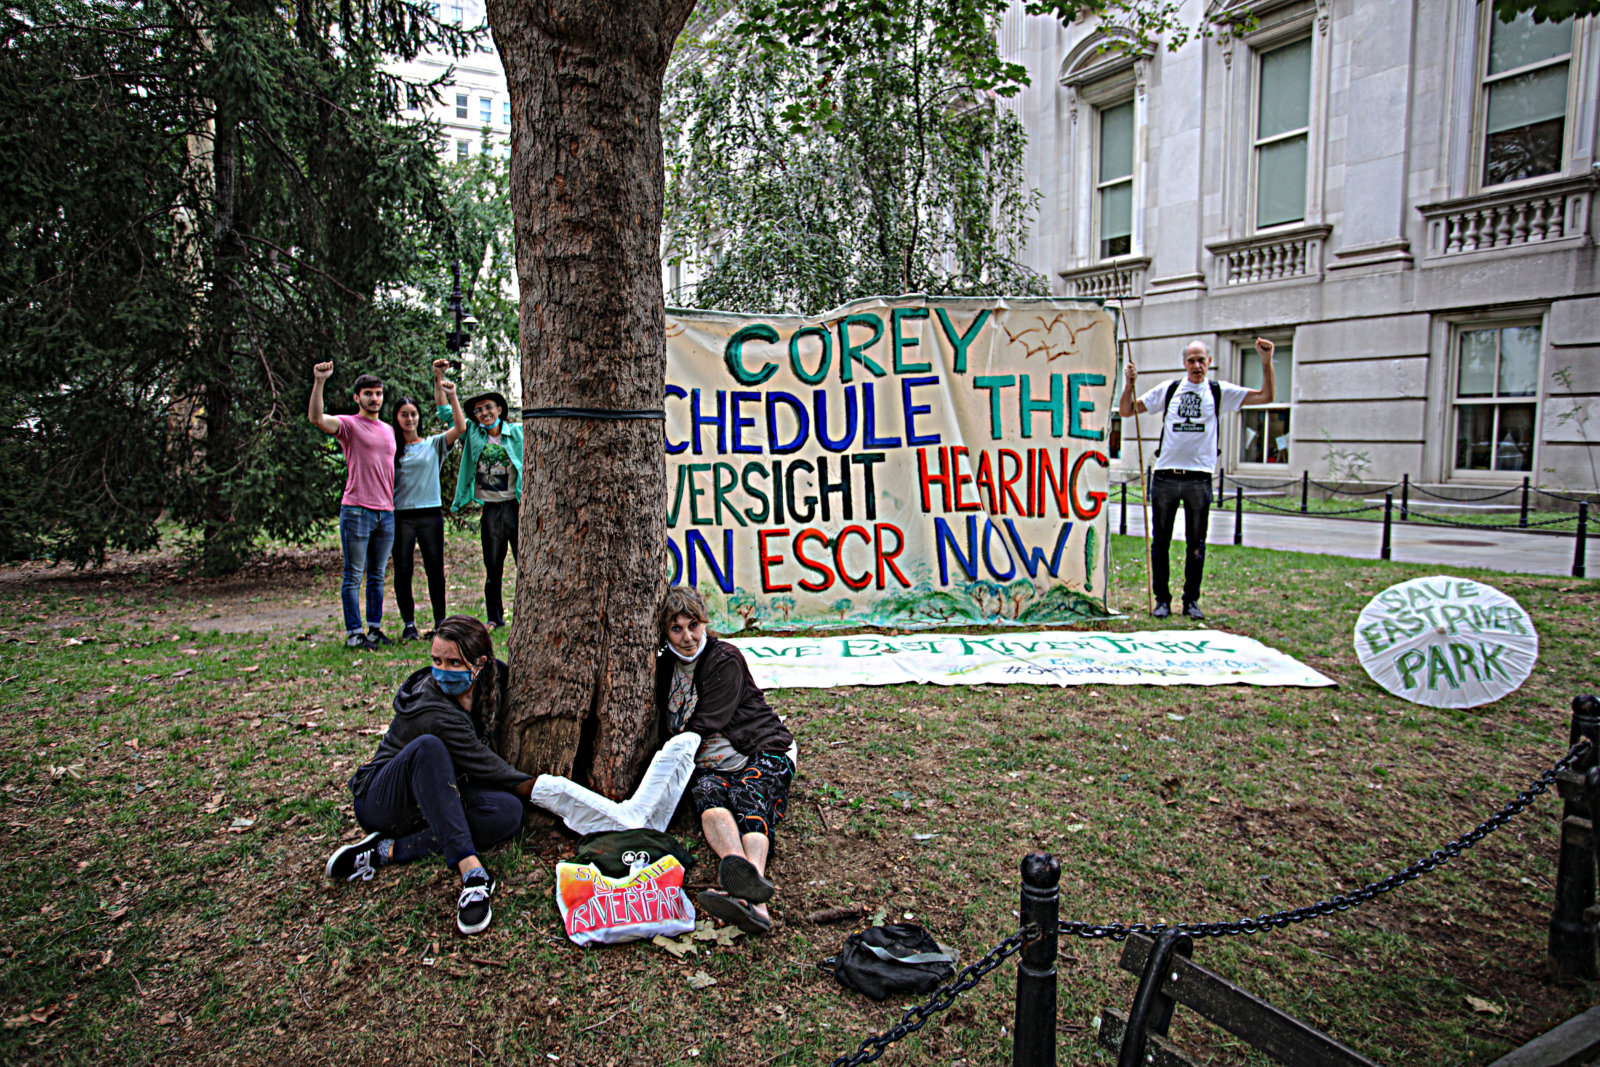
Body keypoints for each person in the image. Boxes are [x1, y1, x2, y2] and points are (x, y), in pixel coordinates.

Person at [324, 615, 534, 935]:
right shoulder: (431, 707)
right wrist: (565, 798)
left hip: (438, 797)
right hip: (384, 800)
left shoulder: (495, 678)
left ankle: (385, 851)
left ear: (480, 664)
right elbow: (496, 772)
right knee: (428, 748)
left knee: (506, 812)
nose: (442, 671)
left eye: (453, 662)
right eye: (436, 660)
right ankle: (473, 875)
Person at [654, 586, 797, 935]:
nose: (687, 637)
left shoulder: (724, 658)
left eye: (693, 625)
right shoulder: (661, 668)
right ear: (664, 631)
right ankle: (740, 879)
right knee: (710, 799)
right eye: (677, 628)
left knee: (750, 798)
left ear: (704, 623)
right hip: (707, 763)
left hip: (759, 749)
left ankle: (755, 890)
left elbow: (706, 721)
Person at [1119, 338, 1276, 620]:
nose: (1196, 366)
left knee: (1196, 544)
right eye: (1191, 360)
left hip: (1199, 478)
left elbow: (1265, 397)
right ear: (1184, 363)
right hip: (1166, 476)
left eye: (1201, 360)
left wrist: (1266, 363)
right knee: (1160, 543)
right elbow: (1127, 410)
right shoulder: (1169, 389)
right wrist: (1129, 384)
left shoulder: (1219, 391)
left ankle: (1191, 601)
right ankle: (1162, 601)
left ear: (1209, 361)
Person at [309, 362, 397, 651]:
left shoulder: (387, 429)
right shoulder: (348, 425)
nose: (375, 398)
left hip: (386, 513)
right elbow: (316, 418)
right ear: (357, 397)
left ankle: (373, 629)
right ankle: (353, 633)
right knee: (354, 574)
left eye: (379, 393)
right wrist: (320, 381)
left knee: (377, 575)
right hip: (357, 510)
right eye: (368, 393)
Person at [439, 366, 524, 630]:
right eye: (478, 410)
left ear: (499, 408)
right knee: (493, 567)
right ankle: (494, 617)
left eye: (488, 408)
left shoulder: (518, 433)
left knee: (525, 563)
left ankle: (526, 612)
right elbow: (445, 415)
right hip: (491, 510)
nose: (484, 413)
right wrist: (444, 386)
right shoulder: (474, 434)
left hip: (516, 506)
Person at [390, 364, 468, 641]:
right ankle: (409, 624)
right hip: (401, 516)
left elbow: (459, 427)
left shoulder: (433, 445)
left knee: (435, 567)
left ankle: (440, 621)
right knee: (403, 570)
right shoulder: (391, 449)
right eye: (404, 414)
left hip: (430, 514)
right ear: (396, 418)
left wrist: (449, 392)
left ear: (419, 418)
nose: (409, 419)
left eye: (413, 414)